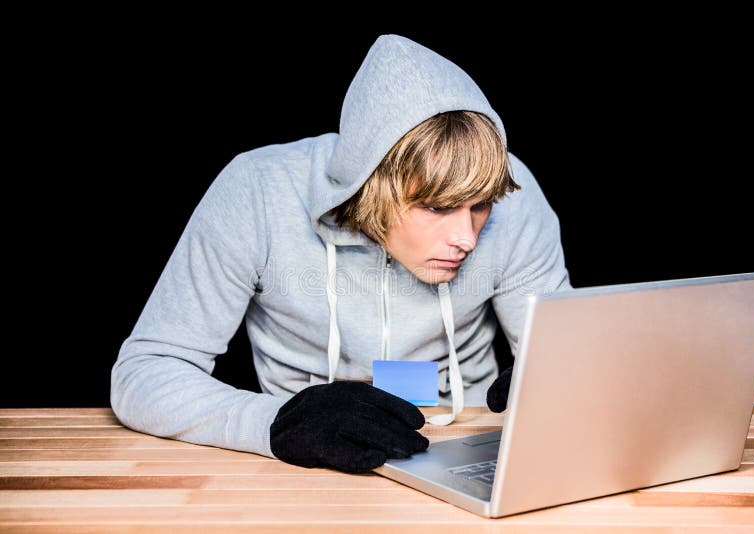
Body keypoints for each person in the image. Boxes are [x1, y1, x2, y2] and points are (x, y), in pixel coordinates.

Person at [111, 34, 571, 473]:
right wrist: (277, 424)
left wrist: (562, 377)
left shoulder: (515, 195)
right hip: (307, 460)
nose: (467, 238)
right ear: (371, 184)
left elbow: (573, 358)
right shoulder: (257, 191)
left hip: (470, 449)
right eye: (436, 206)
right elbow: (145, 373)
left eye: (480, 206)